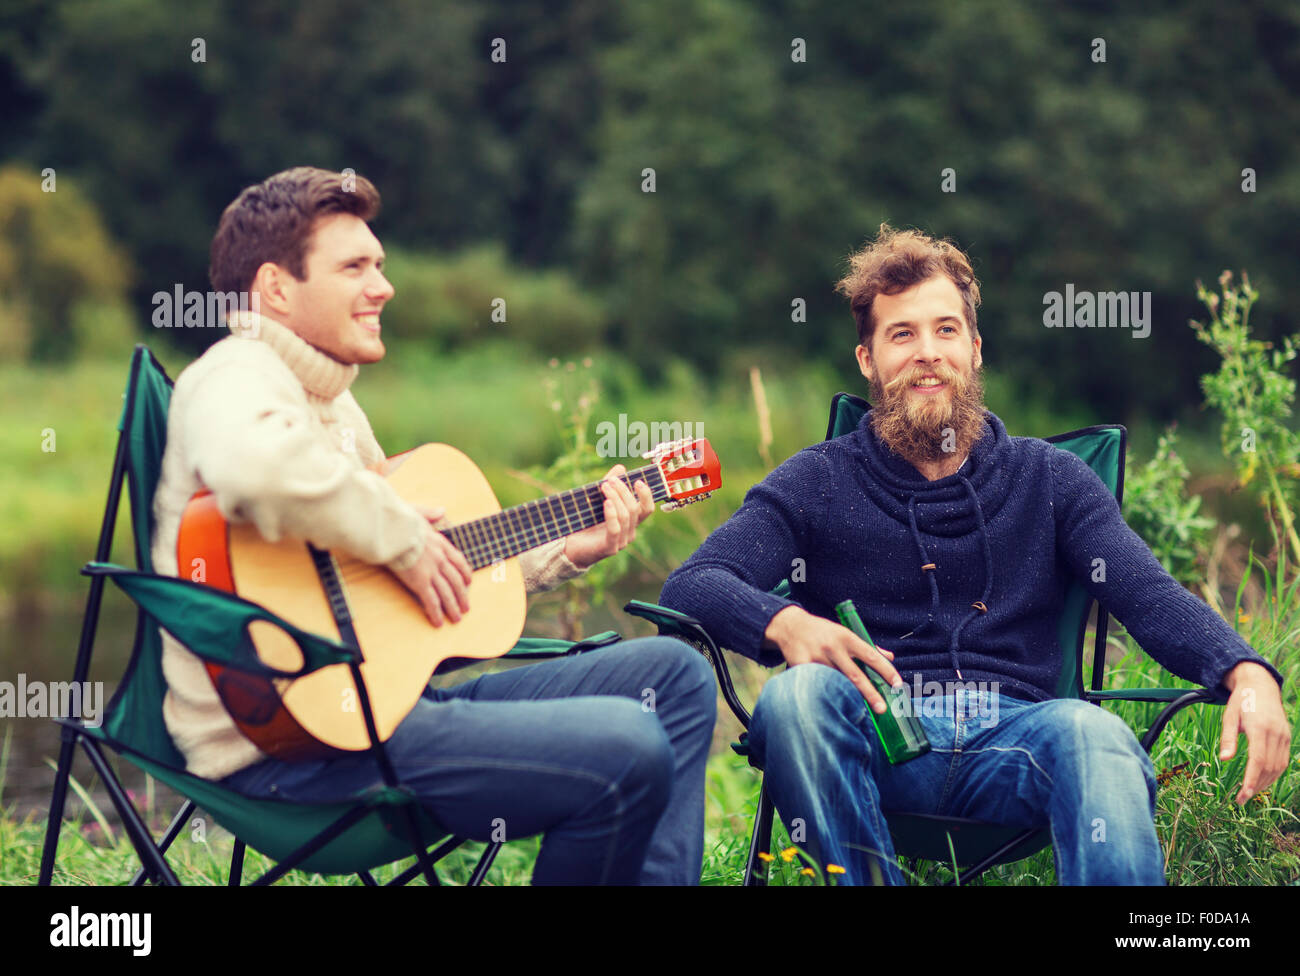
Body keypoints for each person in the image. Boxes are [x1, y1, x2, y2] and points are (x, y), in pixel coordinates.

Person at [659, 224, 1290, 885]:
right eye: (902, 335)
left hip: (1019, 743)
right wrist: (785, 624)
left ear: (975, 349)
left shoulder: (1049, 479)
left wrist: (1246, 670)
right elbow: (693, 584)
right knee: (796, 697)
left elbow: (1149, 595)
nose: (927, 353)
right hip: (877, 736)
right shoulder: (815, 480)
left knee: (1095, 735)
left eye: (946, 330)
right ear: (868, 360)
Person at [150, 167, 715, 885]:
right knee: (628, 743)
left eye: (380, 266)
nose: (383, 286)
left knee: (675, 677)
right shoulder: (234, 374)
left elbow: (403, 575)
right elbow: (259, 470)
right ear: (275, 289)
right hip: (295, 752)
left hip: (380, 713)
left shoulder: (334, 406)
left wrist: (561, 552)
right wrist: (404, 538)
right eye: (354, 267)